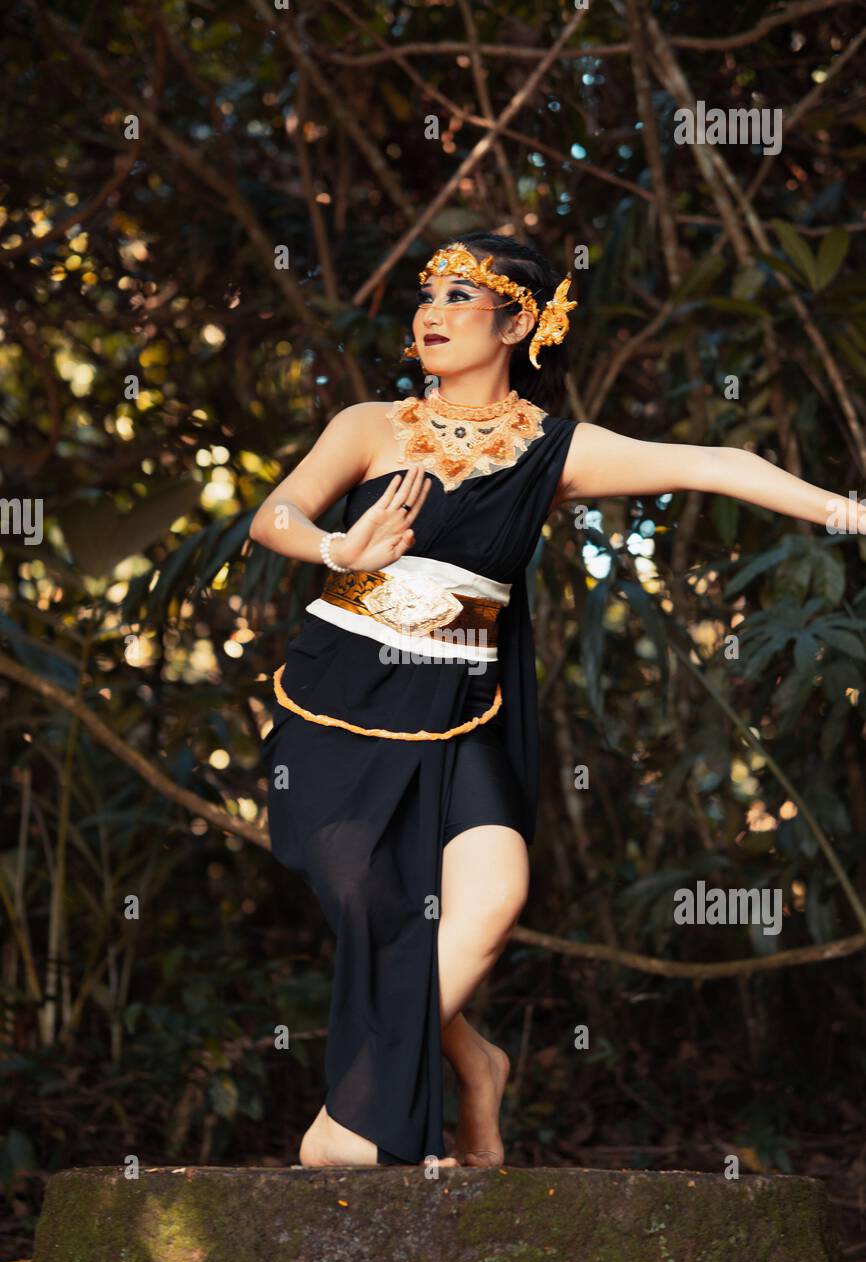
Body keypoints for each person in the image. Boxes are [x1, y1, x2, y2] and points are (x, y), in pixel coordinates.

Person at [250, 231, 864, 1170]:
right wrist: (338, 550)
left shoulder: (556, 450)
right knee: (374, 911)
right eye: (426, 296)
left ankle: (351, 1125)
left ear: (520, 321)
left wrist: (849, 512)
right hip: (338, 695)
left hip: (460, 706)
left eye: (460, 296)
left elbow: (714, 461)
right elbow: (275, 516)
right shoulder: (369, 424)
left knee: (491, 901)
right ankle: (475, 1066)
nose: (431, 313)